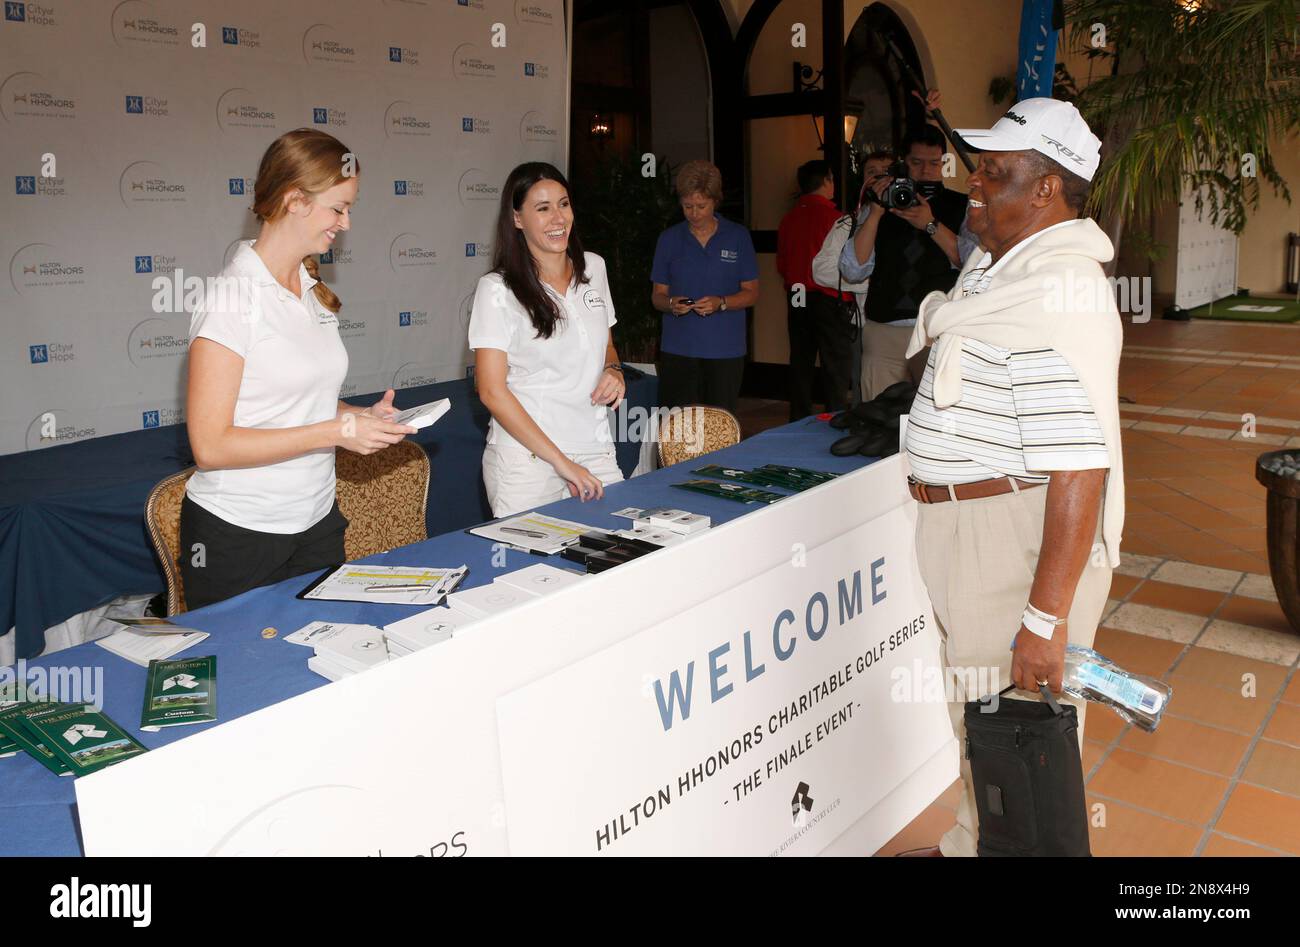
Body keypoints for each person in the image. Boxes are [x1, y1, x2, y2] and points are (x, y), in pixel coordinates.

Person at [900, 98, 1124, 857]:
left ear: (1046, 190)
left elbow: (1079, 466)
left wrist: (1043, 619)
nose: (973, 186)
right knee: (981, 720)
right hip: (967, 531)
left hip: (1011, 543)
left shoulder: (1059, 291)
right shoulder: (1003, 268)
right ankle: (972, 842)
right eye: (977, 169)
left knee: (1021, 740)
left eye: (995, 173)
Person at [182, 128, 416, 610]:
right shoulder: (232, 298)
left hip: (316, 521)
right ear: (294, 200)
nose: (346, 223)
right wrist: (334, 430)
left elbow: (291, 402)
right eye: (338, 208)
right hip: (238, 535)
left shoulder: (309, 287)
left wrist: (360, 417)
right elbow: (210, 446)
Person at [470, 162, 626, 518]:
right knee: (532, 570)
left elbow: (605, 344)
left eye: (564, 204)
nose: (558, 218)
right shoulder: (497, 289)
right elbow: (491, 391)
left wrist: (614, 369)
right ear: (517, 219)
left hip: (594, 447)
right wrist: (562, 463)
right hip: (526, 462)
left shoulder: (594, 268)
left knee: (619, 555)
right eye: (542, 208)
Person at [843, 123, 969, 399]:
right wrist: (876, 212)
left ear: (943, 163)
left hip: (937, 331)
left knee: (937, 419)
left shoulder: (963, 206)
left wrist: (931, 225)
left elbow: (970, 263)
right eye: (917, 163)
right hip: (883, 331)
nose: (926, 171)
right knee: (878, 422)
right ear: (902, 163)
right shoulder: (879, 204)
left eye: (934, 163)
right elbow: (852, 269)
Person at [650, 160, 759, 414]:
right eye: (688, 206)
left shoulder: (737, 236)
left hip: (725, 349)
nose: (694, 213)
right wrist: (670, 304)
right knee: (679, 428)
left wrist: (721, 302)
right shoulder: (669, 239)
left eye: (701, 206)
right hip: (679, 349)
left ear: (715, 201)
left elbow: (752, 293)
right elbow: (657, 296)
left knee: (720, 426)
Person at [777, 160, 856, 421]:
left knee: (801, 361)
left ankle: (798, 418)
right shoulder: (838, 220)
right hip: (828, 297)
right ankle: (835, 417)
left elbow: (782, 263)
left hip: (797, 296)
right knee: (835, 364)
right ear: (826, 180)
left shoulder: (789, 219)